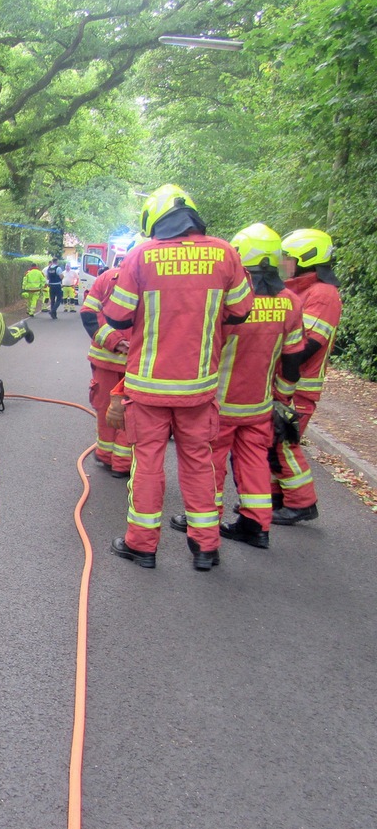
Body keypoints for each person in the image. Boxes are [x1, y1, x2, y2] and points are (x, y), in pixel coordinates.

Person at [101, 183, 254, 571]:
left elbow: (117, 316)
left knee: (148, 463)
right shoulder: (225, 253)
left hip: (148, 387)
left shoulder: (141, 257)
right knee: (199, 463)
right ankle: (206, 549)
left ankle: (142, 546)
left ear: (154, 220)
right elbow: (240, 312)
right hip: (199, 387)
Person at [168, 223, 304, 548]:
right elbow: (293, 359)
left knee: (210, 461)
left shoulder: (231, 300)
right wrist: (281, 400)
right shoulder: (291, 303)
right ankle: (255, 526)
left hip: (219, 403)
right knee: (254, 461)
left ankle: (204, 521)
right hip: (259, 405)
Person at [269, 228, 342, 525]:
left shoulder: (322, 295)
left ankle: (302, 503)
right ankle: (276, 499)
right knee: (271, 441)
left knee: (284, 442)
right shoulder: (302, 290)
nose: (283, 263)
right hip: (287, 383)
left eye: (288, 258)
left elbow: (305, 345)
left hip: (299, 386)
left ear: (306, 259)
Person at [80, 263, 132, 477]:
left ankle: (111, 457)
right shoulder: (161, 278)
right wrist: (118, 341)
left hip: (110, 361)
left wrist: (113, 341)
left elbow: (89, 314)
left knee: (108, 408)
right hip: (138, 363)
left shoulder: (108, 278)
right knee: (131, 410)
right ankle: (120, 461)